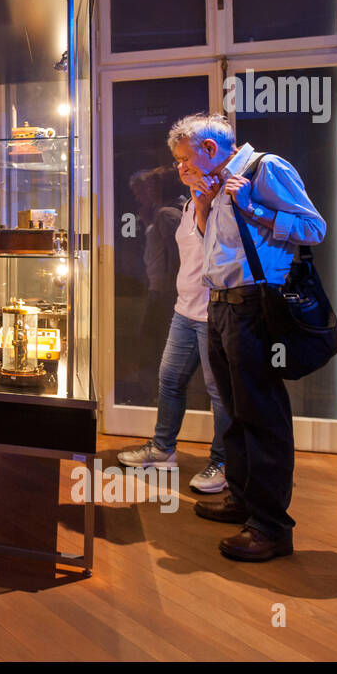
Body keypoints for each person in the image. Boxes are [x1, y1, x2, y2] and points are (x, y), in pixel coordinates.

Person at [167, 113, 326, 561]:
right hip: (220, 306)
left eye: (186, 158)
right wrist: (203, 200)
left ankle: (271, 527)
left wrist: (254, 208)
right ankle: (242, 500)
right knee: (235, 413)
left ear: (210, 150)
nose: (183, 167)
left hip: (254, 307)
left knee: (261, 415)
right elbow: (215, 245)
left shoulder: (265, 170)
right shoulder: (218, 182)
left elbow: (314, 228)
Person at [118, 153, 232, 493]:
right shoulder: (182, 210)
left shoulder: (221, 204)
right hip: (185, 310)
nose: (182, 167)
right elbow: (182, 259)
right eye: (179, 162)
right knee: (169, 380)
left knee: (219, 393)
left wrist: (206, 204)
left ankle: (224, 462)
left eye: (188, 160)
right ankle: (162, 449)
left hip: (212, 312)